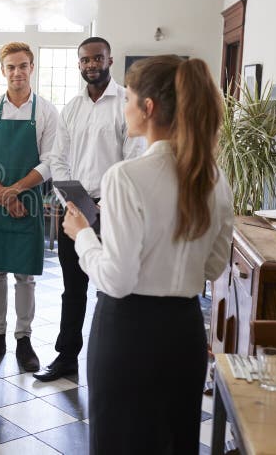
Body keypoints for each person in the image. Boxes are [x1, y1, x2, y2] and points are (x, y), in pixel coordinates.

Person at [62, 55, 233, 453]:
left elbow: (117, 281)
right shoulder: (214, 177)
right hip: (184, 334)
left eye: (128, 99)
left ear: (148, 108)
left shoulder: (125, 176)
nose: (123, 108)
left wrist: (83, 235)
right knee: (175, 443)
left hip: (129, 336)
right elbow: (213, 265)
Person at [35, 37, 145, 382]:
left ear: (109, 59)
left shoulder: (125, 103)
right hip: (75, 210)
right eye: (85, 60)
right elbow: (58, 158)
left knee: (113, 289)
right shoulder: (72, 107)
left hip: (114, 211)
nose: (91, 64)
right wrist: (73, 200)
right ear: (79, 63)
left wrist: (105, 203)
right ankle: (66, 357)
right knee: (73, 288)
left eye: (97, 58)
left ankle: (113, 362)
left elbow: (133, 160)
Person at [0, 42, 58, 372]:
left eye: (23, 66)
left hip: (30, 198)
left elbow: (50, 161)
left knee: (24, 275)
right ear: (3, 70)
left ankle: (24, 338)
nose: (17, 72)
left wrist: (16, 191)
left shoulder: (46, 112)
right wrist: (1, 192)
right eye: (11, 67)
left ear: (32, 68)